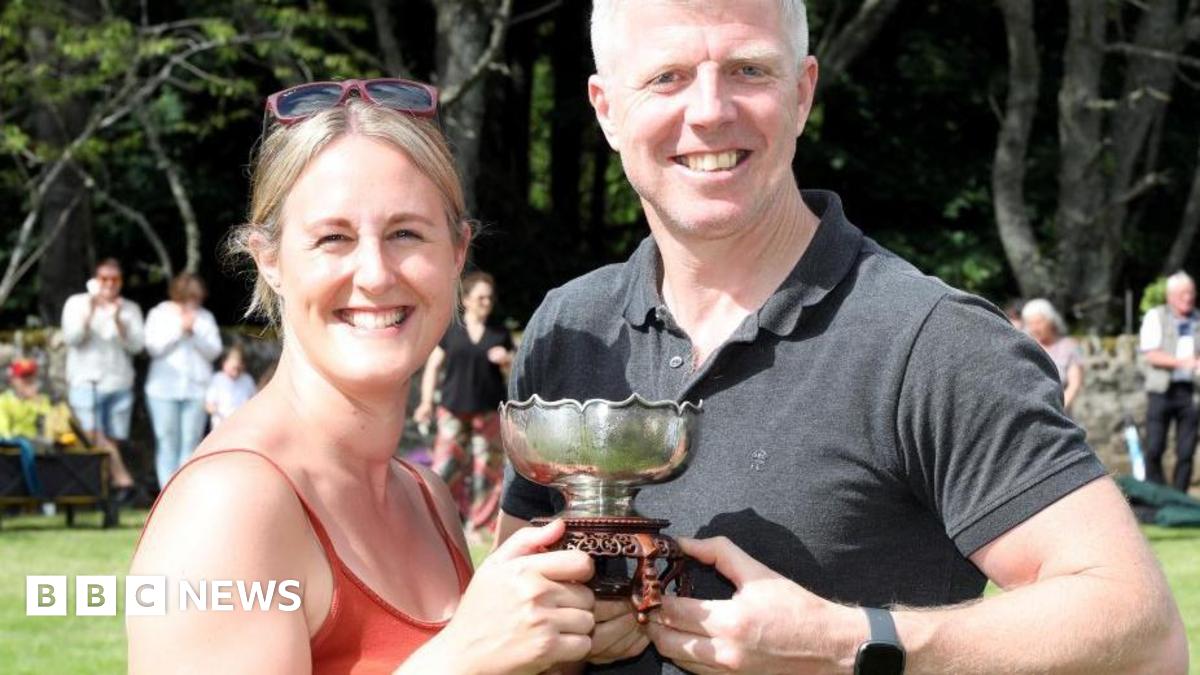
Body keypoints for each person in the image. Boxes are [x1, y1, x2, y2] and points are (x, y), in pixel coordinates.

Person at [497, 1, 1187, 673]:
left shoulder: (931, 341)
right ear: (606, 108)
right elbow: (510, 617)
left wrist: (849, 643)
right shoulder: (568, 328)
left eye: (748, 70)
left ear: (802, 94)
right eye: (666, 77)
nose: (709, 110)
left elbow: (1142, 630)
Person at [128, 81, 595, 674]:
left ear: (457, 253)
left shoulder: (426, 499)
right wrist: (456, 661)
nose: (374, 274)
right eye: (333, 238)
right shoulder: (231, 508)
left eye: (406, 234)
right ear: (270, 260)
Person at [414, 270, 514, 536]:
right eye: (480, 298)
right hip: (453, 408)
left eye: (489, 298)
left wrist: (506, 360)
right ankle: (436, 519)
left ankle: (479, 526)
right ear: (466, 300)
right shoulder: (452, 331)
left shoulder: (499, 333)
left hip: (488, 410)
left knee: (487, 471)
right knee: (445, 467)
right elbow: (433, 367)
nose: (486, 303)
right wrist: (426, 402)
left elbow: (514, 374)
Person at [0, 357, 135, 497]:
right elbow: (5, 433)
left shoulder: (44, 400)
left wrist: (35, 402)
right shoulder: (4, 401)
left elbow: (54, 424)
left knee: (67, 442)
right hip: (18, 448)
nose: (27, 382)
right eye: (23, 378)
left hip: (47, 448)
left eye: (30, 378)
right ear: (13, 380)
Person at [60, 258, 144, 464]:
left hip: (119, 382)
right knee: (91, 434)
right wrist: (90, 309)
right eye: (104, 278)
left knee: (113, 439)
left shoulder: (129, 308)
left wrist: (118, 321)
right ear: (95, 280)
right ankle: (123, 480)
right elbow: (72, 338)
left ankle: (108, 488)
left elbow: (137, 347)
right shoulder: (76, 303)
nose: (109, 283)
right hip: (86, 381)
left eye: (115, 279)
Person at [144, 272, 223, 488]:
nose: (194, 303)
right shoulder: (159, 314)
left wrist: (194, 334)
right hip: (162, 390)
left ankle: (184, 493)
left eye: (197, 298)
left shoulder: (205, 317)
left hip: (196, 389)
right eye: (190, 297)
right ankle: (166, 493)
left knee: (191, 443)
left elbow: (214, 352)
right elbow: (153, 348)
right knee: (166, 441)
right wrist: (180, 331)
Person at [1139, 271, 1200, 492]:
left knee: (1186, 450)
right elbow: (1151, 354)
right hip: (1161, 390)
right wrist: (1183, 363)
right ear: (1170, 296)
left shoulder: (1198, 320)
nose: (1188, 297)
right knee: (1154, 447)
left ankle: (1179, 498)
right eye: (1183, 293)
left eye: (1191, 293)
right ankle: (1155, 495)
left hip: (1190, 391)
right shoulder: (1156, 316)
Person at [1021, 298, 1084, 414]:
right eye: (1030, 324)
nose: (1035, 328)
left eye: (1039, 323)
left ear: (1051, 321)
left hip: (1060, 415)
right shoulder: (1024, 347)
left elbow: (1075, 384)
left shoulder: (1068, 347)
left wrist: (1056, 411)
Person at [205, 345, 257, 428]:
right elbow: (209, 405)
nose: (236, 371)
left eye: (239, 368)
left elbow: (254, 402)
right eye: (234, 368)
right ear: (225, 363)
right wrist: (221, 415)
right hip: (220, 426)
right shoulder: (217, 379)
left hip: (243, 425)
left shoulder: (247, 380)